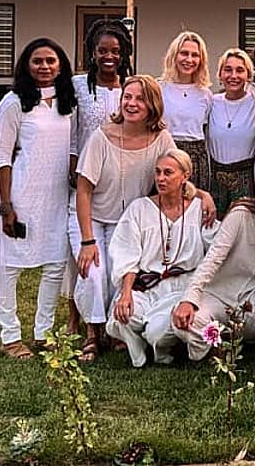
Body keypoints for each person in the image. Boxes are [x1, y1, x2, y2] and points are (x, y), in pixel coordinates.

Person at [0, 37, 77, 359]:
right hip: (22, 195)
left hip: (58, 197)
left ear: (61, 65)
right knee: (11, 267)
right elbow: (1, 157)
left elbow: (72, 146)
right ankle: (10, 336)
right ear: (26, 66)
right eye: (38, 61)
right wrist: (6, 207)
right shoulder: (14, 102)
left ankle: (44, 332)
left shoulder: (67, 101)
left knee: (56, 265)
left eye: (51, 61)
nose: (44, 67)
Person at [73, 74, 178, 362]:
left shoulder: (161, 138)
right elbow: (83, 190)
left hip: (129, 222)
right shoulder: (102, 136)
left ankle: (115, 330)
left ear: (152, 105)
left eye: (140, 98)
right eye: (127, 97)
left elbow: (176, 170)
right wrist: (87, 240)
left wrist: (201, 196)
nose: (132, 103)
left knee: (120, 276)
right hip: (90, 216)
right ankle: (93, 334)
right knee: (94, 274)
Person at [172, 162, 255, 382]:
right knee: (183, 322)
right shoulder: (242, 213)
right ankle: (219, 352)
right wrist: (189, 299)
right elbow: (212, 258)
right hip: (219, 299)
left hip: (254, 306)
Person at [107, 150, 219, 367]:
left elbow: (217, 247)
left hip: (181, 289)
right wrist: (126, 293)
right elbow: (127, 253)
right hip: (147, 285)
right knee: (122, 315)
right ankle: (140, 341)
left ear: (185, 176)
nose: (160, 178)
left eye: (168, 173)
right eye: (157, 172)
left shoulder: (199, 210)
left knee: (157, 332)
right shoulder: (139, 209)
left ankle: (159, 347)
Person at [66, 19, 135, 336]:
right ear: (92, 53)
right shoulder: (78, 86)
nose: (109, 56)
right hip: (84, 179)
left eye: (116, 51)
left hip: (120, 182)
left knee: (113, 261)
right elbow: (70, 128)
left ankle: (111, 327)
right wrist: (71, 159)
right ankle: (78, 321)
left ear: (124, 54)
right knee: (79, 256)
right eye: (103, 50)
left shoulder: (130, 87)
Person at [159, 31, 213, 193]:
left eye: (195, 55)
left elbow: (206, 129)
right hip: (166, 154)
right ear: (174, 55)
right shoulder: (159, 88)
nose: (189, 60)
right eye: (184, 53)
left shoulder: (205, 94)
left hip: (195, 159)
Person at [207, 48, 255, 216]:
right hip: (215, 179)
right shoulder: (212, 102)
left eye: (240, 70)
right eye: (228, 70)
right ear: (220, 75)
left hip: (245, 178)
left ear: (249, 75)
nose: (233, 76)